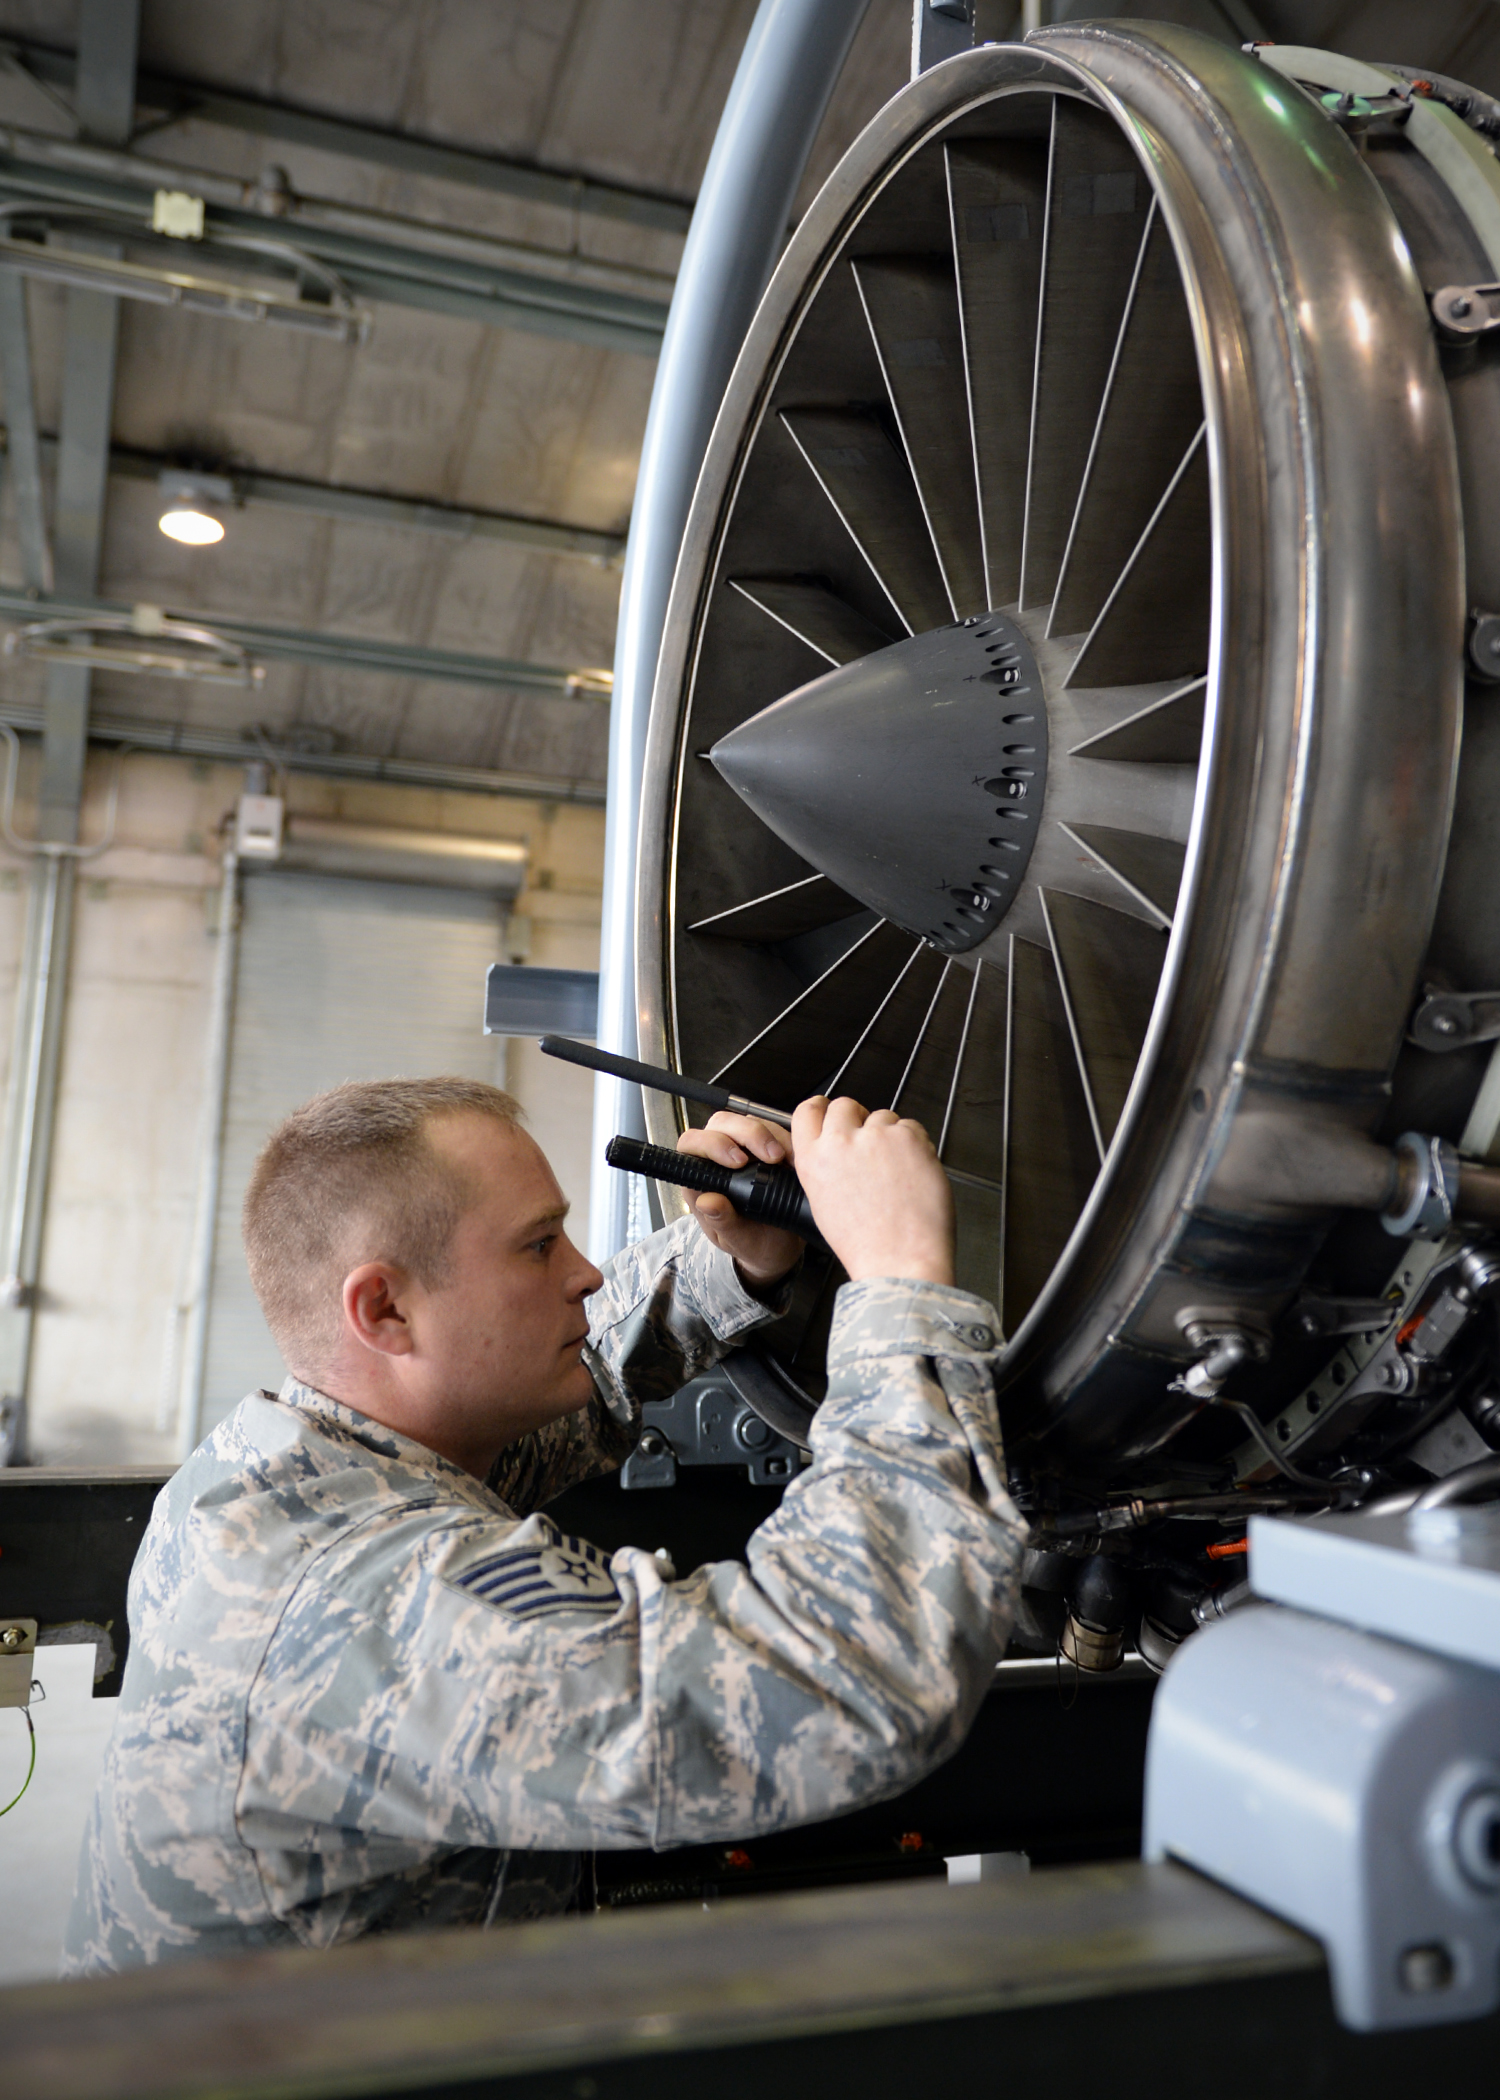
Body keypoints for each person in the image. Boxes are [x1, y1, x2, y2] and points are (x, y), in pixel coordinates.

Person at [63, 1075, 1023, 1973]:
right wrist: (901, 1278)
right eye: (539, 1246)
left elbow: (583, 1376)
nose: (589, 1274)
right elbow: (850, 1677)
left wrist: (737, 1258)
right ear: (385, 1308)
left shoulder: (286, 1466)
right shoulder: (368, 1610)